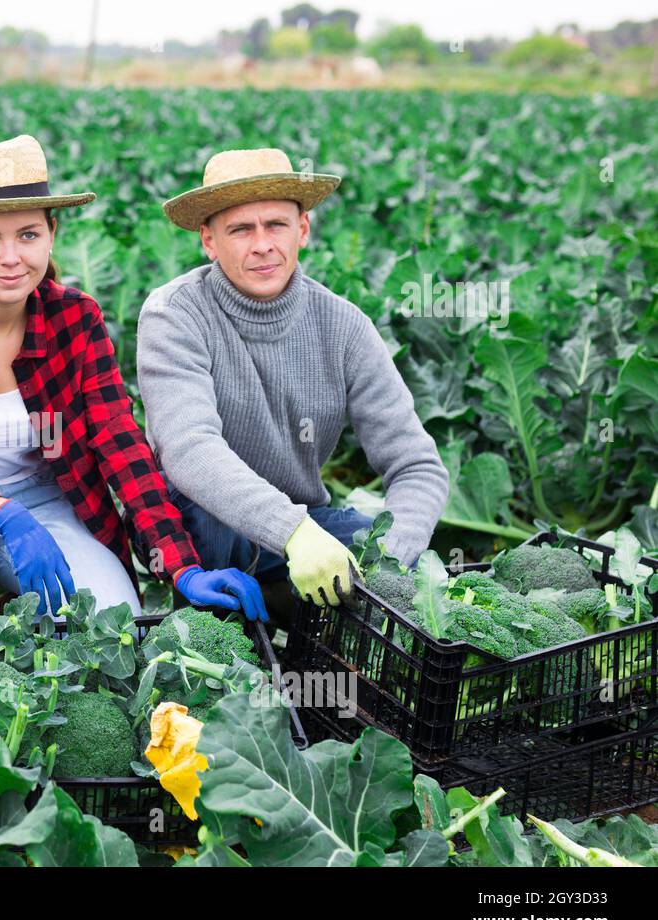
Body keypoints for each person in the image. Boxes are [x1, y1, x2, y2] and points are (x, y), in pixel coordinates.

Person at [0, 134, 266, 622]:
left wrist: (182, 566)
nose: (11, 257)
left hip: (48, 510)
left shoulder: (75, 318)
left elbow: (121, 445)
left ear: (52, 233)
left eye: (28, 235)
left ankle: (13, 617)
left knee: (111, 624)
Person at [138, 148, 449, 613]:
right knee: (207, 518)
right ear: (208, 239)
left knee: (396, 561)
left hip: (301, 525)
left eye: (276, 225)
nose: (262, 244)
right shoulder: (176, 313)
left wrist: (390, 560)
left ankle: (298, 623)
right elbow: (189, 449)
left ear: (302, 229)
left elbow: (417, 465)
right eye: (240, 229)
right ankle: (212, 646)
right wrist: (294, 533)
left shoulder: (344, 326)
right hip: (199, 532)